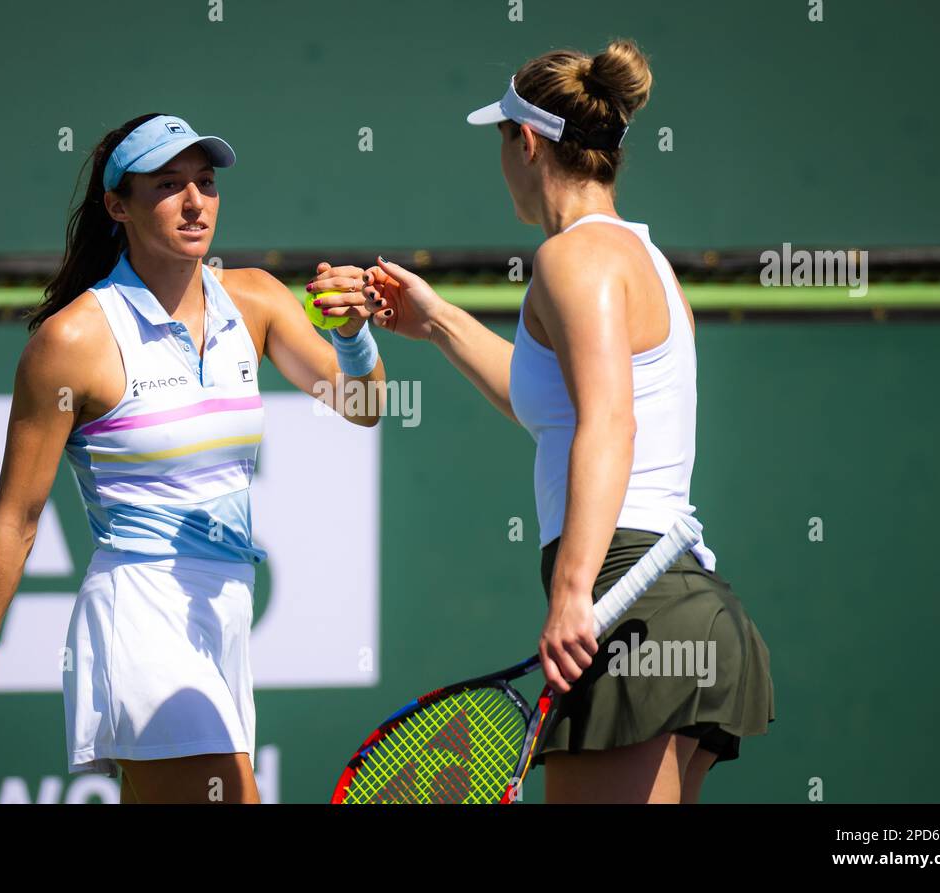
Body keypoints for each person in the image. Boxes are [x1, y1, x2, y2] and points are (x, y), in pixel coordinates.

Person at [310, 42, 773, 804]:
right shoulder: (640, 260)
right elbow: (552, 407)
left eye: (500, 140)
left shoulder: (573, 260)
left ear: (525, 141)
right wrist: (435, 322)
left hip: (630, 597)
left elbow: (609, 424)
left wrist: (570, 590)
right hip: (685, 604)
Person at [0, 113, 386, 803]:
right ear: (119, 206)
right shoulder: (72, 341)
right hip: (140, 619)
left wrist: (351, 334)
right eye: (169, 185)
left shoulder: (255, 299)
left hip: (225, 616)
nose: (196, 201)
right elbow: (14, 523)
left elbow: (362, 403)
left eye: (205, 182)